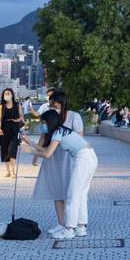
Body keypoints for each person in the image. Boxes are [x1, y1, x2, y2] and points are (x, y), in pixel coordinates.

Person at [20, 107, 98, 241]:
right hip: (91, 157)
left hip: (83, 159)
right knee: (81, 195)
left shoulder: (57, 132)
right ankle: (80, 227)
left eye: (43, 123)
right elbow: (47, 149)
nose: (42, 126)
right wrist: (30, 142)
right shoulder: (61, 131)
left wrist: (29, 151)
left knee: (72, 195)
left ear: (49, 122)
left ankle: (68, 230)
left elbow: (47, 154)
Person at [32, 90, 84, 231]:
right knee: (57, 191)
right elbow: (43, 137)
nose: (52, 107)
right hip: (52, 157)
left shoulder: (74, 116)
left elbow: (80, 138)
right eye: (51, 105)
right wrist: (35, 156)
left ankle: (74, 224)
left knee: (71, 191)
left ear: (62, 103)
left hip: (69, 158)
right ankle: (61, 223)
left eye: (54, 104)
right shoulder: (50, 117)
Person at [0, 88, 25, 178]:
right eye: (5, 94)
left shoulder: (17, 105)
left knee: (12, 150)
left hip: (14, 128)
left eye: (8, 93)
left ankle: (12, 171)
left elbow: (21, 116)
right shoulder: (1, 106)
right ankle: (8, 171)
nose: (6, 95)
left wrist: (17, 120)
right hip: (4, 129)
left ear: (12, 95)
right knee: (5, 150)